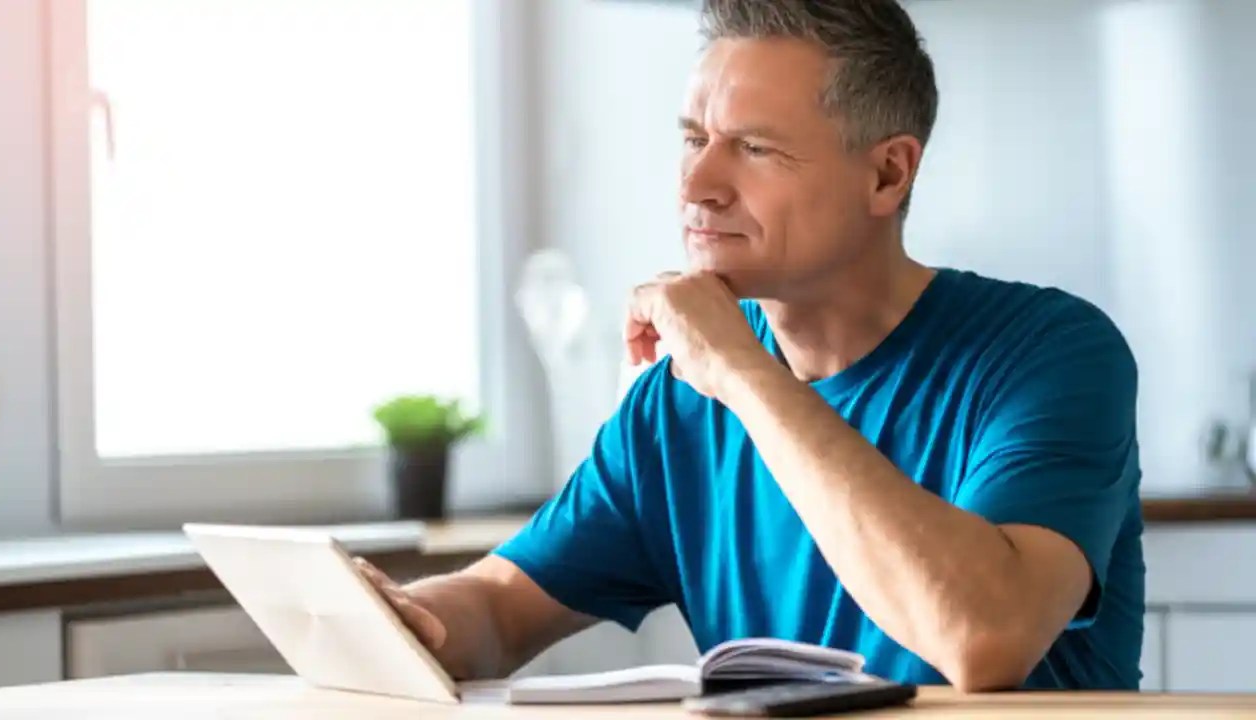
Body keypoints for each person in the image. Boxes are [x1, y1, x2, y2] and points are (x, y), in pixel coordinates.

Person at [355, 0, 1144, 691]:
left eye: (756, 148)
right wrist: (404, 618)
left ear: (888, 175)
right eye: (694, 138)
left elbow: (983, 639)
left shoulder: (1052, 352)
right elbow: (500, 606)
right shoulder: (676, 406)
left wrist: (739, 369)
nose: (697, 185)